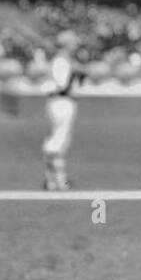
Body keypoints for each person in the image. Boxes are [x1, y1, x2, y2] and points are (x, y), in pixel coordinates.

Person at [42, 48, 83, 190]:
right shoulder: (61, 62)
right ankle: (59, 181)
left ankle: (51, 180)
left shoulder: (61, 62)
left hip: (57, 102)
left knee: (57, 139)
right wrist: (75, 73)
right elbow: (62, 85)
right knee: (58, 141)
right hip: (62, 102)